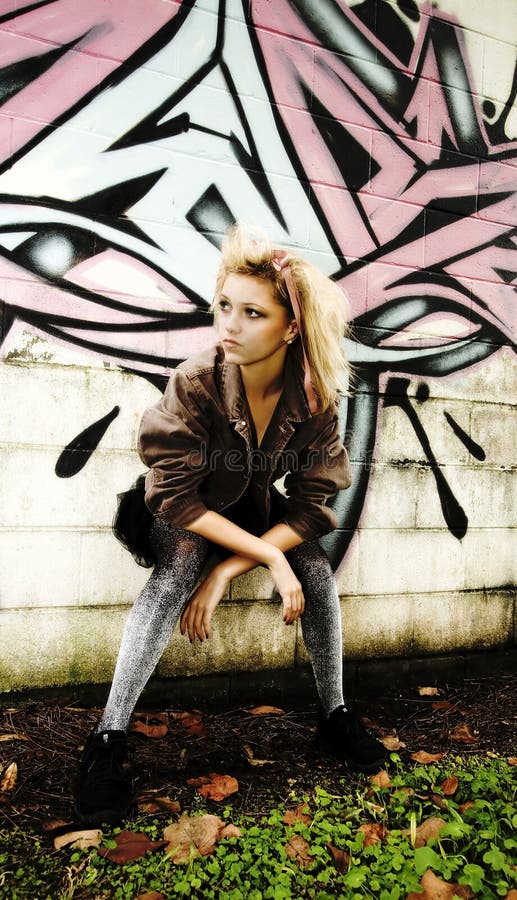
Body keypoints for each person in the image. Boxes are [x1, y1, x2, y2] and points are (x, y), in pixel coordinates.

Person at [74, 225, 387, 826]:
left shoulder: (313, 398)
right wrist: (265, 557)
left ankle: (335, 716)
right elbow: (174, 498)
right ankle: (107, 740)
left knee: (315, 568)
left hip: (249, 515)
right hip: (183, 509)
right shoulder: (196, 381)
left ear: (290, 328)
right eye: (224, 306)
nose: (230, 325)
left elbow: (313, 506)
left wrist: (232, 571)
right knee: (183, 561)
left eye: (253, 313)